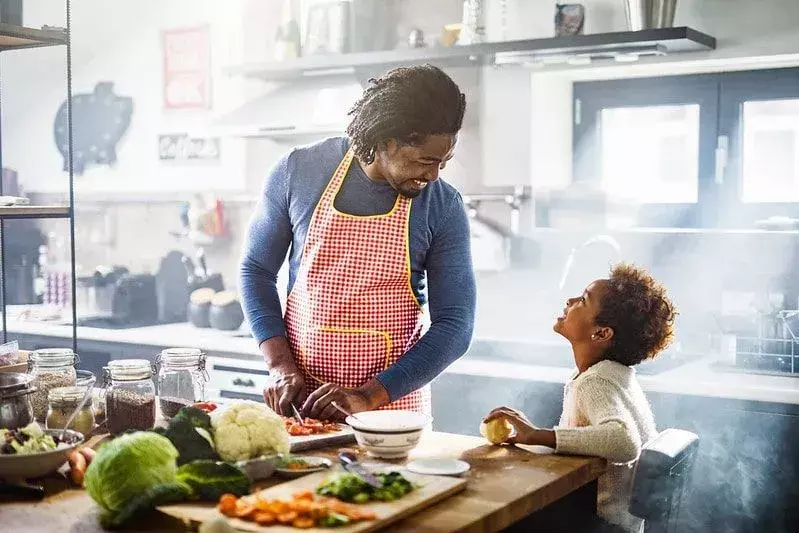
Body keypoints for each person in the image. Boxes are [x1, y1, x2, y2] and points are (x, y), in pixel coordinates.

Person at [240, 64, 476, 421]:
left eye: (444, 161)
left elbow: (456, 324)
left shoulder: (443, 206)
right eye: (426, 161)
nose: (434, 175)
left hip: (391, 415)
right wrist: (279, 366)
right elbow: (255, 271)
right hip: (301, 405)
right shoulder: (298, 172)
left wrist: (368, 396)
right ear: (386, 140)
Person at [484, 263, 677, 533]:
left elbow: (624, 441)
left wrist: (540, 435)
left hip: (598, 526)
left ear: (601, 333)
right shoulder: (616, 374)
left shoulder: (595, 381)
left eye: (583, 300)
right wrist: (534, 437)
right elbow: (588, 443)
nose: (570, 301)